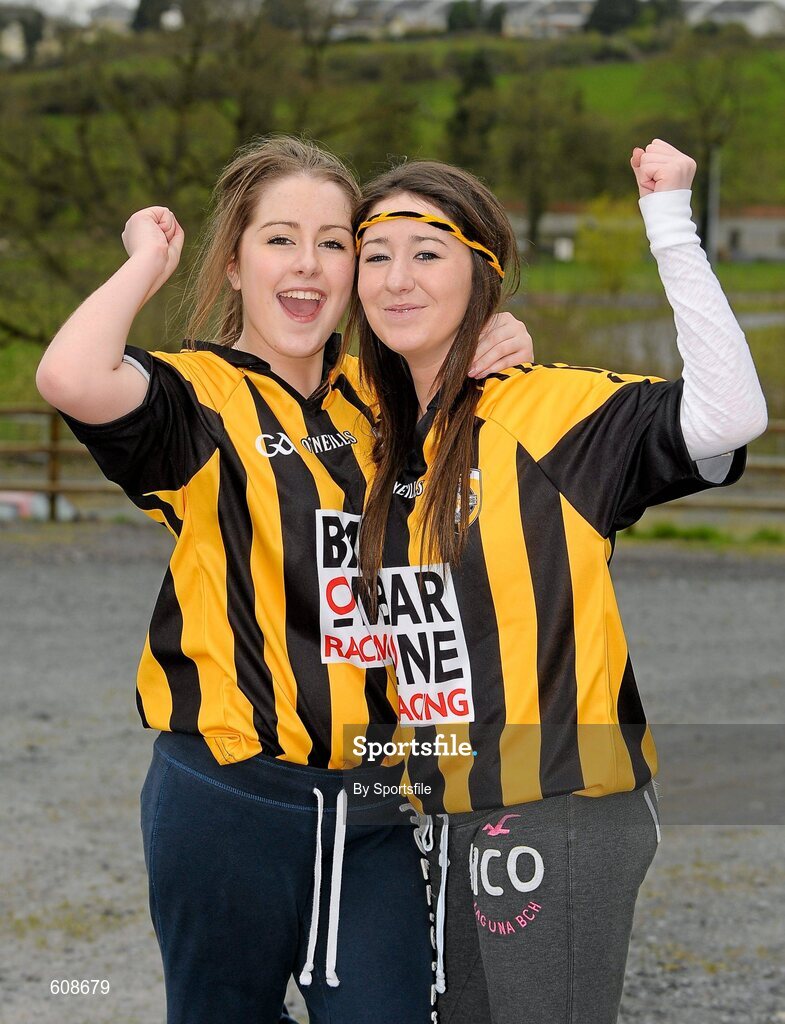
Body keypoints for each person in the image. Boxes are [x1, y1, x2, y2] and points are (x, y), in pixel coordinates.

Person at [34, 135, 534, 1024]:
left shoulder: (390, 396)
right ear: (234, 263)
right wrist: (147, 261)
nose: (307, 263)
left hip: (378, 801)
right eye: (278, 239)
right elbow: (70, 375)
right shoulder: (192, 399)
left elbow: (491, 408)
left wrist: (499, 339)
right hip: (227, 797)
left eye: (333, 242)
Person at [347, 140, 768, 1024]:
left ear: (483, 276)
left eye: (427, 254)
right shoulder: (365, 426)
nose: (396, 279)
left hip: (556, 806)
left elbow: (730, 413)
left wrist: (668, 220)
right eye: (374, 256)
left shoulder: (551, 412)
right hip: (436, 811)